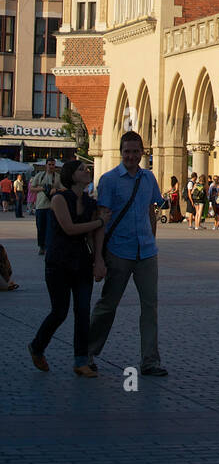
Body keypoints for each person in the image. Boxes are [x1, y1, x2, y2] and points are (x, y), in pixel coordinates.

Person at [87, 131, 167, 376]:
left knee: (150, 307)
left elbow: (151, 211)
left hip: (146, 253)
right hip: (119, 251)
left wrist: (151, 242)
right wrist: (98, 257)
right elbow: (102, 219)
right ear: (121, 153)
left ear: (142, 152)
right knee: (108, 305)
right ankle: (87, 352)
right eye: (127, 152)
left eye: (135, 152)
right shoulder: (109, 180)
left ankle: (150, 361)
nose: (131, 156)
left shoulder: (148, 178)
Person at [27, 159, 104, 376]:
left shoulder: (90, 203)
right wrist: (99, 223)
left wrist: (98, 260)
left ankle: (81, 361)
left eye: (86, 168)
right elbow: (69, 228)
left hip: (81, 262)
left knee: (82, 312)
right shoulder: (59, 199)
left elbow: (91, 236)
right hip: (58, 262)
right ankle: (37, 346)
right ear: (71, 175)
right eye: (81, 169)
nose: (86, 171)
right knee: (59, 311)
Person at [32, 158, 62, 255]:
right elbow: (31, 188)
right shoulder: (39, 176)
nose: (51, 166)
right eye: (49, 164)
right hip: (40, 205)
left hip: (52, 206)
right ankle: (41, 246)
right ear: (46, 165)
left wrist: (56, 190)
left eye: (53, 164)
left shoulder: (58, 177)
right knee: (40, 227)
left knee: (51, 227)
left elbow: (64, 188)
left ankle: (49, 246)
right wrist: (42, 188)